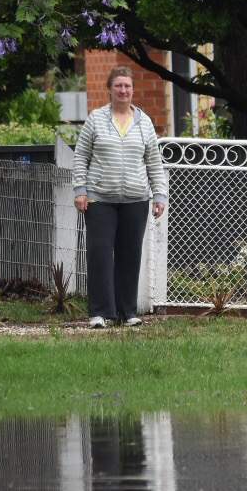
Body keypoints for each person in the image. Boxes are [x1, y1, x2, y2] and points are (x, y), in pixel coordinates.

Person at [73, 66, 169, 328]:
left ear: (132, 90)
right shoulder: (96, 119)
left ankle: (128, 312)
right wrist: (80, 191)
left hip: (136, 200)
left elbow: (153, 162)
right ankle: (100, 313)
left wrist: (159, 195)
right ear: (110, 89)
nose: (123, 90)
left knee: (129, 255)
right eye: (118, 86)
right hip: (100, 199)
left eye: (127, 86)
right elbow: (81, 156)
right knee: (100, 254)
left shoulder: (144, 122)